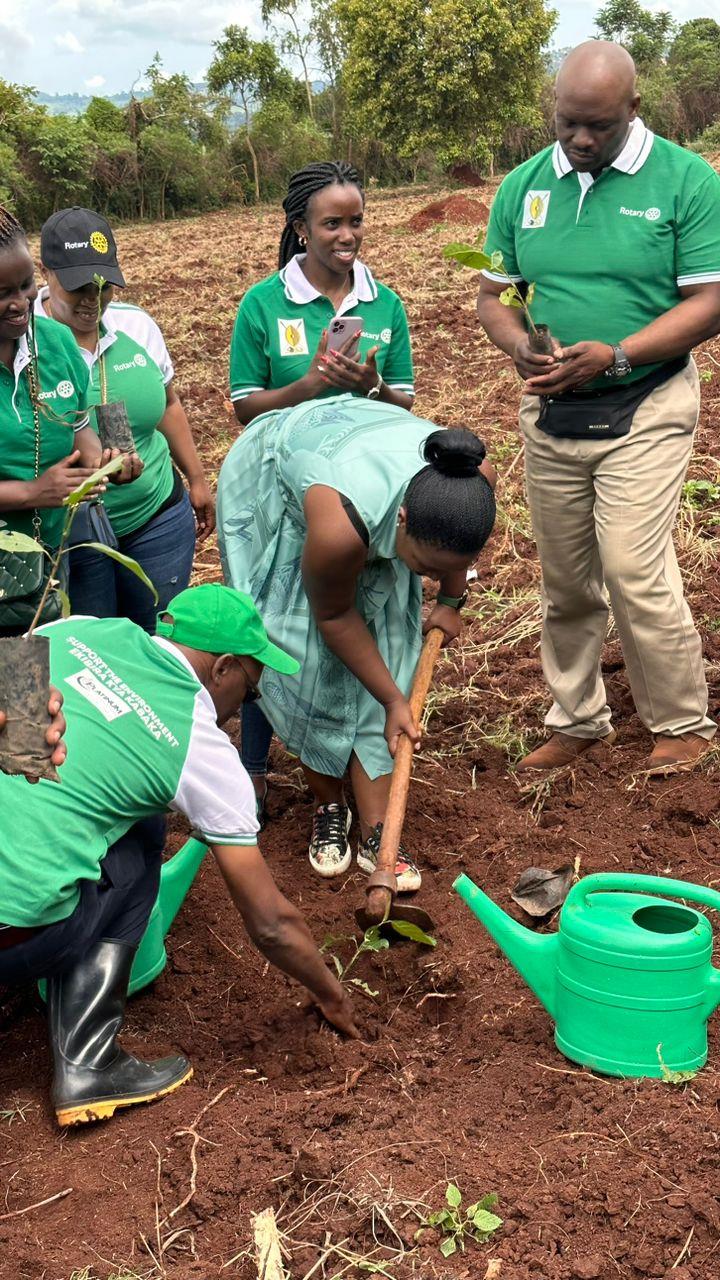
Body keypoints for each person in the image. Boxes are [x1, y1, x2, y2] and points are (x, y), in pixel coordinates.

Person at [0, 584, 358, 1127]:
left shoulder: (75, 630)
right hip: (13, 938)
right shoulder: (198, 744)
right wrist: (331, 993)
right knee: (142, 839)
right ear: (224, 669)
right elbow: (270, 924)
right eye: (251, 690)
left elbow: (21, 760)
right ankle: (86, 1064)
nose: (242, 709)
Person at [476, 41, 720, 777]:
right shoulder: (524, 187)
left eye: (600, 127)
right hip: (554, 413)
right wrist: (520, 344)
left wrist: (616, 355)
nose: (581, 140)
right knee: (567, 577)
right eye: (568, 124)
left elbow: (710, 302)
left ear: (632, 111)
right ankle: (577, 718)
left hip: (646, 398)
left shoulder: (685, 179)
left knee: (632, 567)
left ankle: (680, 723)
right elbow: (495, 297)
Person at [217, 395, 496, 887]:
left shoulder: (469, 483)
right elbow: (333, 614)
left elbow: (454, 556)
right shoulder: (339, 527)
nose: (432, 577)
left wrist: (450, 602)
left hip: (365, 476)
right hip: (283, 480)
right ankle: (329, 804)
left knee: (389, 644)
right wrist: (392, 699)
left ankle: (377, 830)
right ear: (403, 520)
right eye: (426, 569)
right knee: (300, 661)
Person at [229, 162, 417, 826]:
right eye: (332, 223)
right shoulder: (263, 304)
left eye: (356, 221)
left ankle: (371, 815)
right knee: (299, 647)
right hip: (287, 507)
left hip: (367, 501)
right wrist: (309, 385)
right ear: (300, 227)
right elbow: (246, 409)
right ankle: (326, 802)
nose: (347, 235)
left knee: (375, 635)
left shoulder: (384, 303)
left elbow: (408, 410)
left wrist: (373, 391)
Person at [35, 207, 215, 632]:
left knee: (157, 641)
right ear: (47, 272)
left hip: (156, 519)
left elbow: (168, 404)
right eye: (80, 286)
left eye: (104, 284)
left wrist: (198, 478)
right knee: (91, 654)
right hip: (66, 541)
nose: (93, 299)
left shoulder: (136, 325)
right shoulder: (25, 345)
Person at [0, 204, 109, 629]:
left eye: (25, 285)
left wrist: (99, 464)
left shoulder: (57, 343)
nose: (19, 303)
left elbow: (81, 431)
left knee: (40, 679)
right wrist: (33, 492)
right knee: (16, 689)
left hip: (49, 562)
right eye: (1, 293)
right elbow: (38, 491)